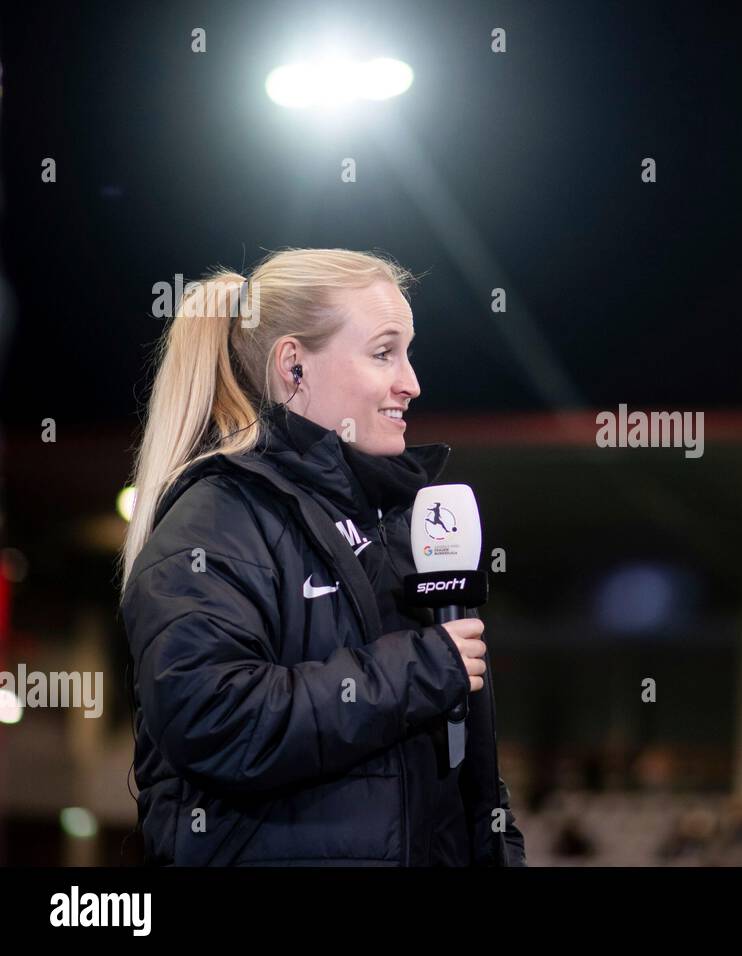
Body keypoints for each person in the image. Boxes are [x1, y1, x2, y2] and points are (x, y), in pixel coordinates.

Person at [118, 248, 526, 866]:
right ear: (294, 366)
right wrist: (418, 669)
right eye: (385, 352)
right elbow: (214, 721)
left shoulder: (404, 529)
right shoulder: (217, 520)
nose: (411, 382)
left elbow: (461, 778)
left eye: (409, 353)